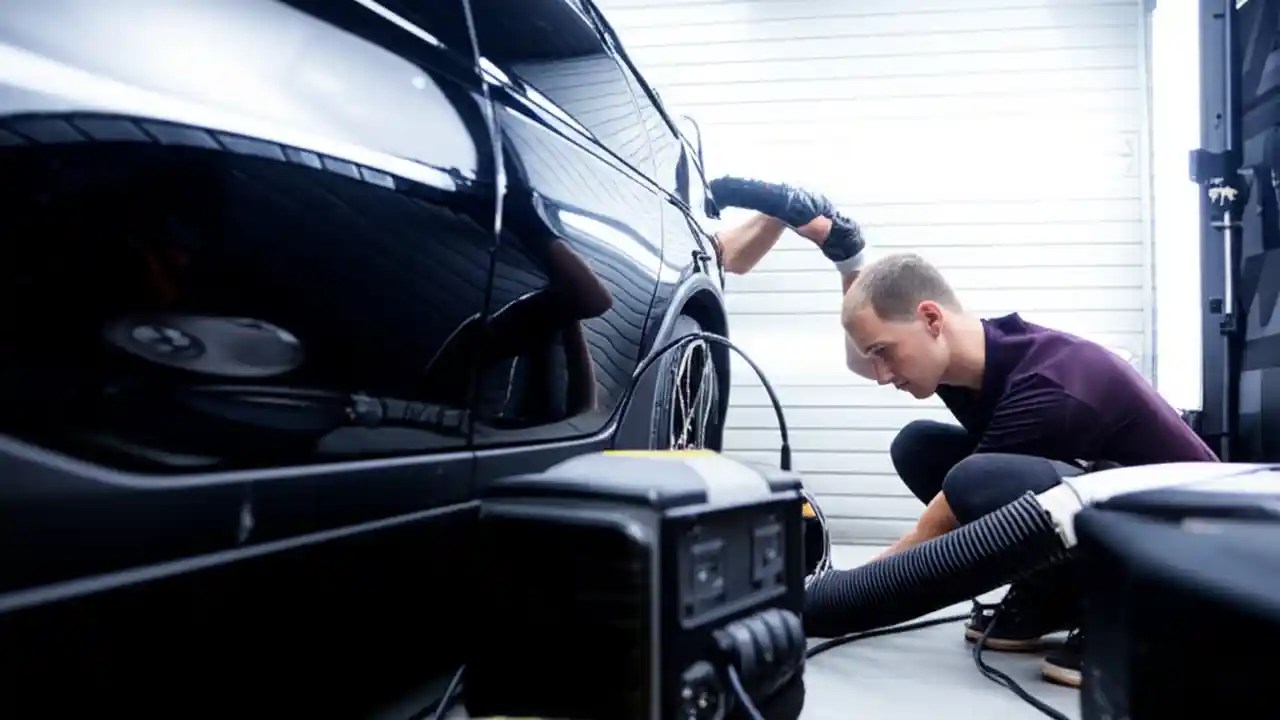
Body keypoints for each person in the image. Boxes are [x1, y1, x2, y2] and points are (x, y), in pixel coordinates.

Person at [705, 175, 1220, 689]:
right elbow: (866, 358)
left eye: (885, 352)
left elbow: (940, 531)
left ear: (931, 319)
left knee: (974, 480)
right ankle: (1056, 595)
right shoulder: (977, 353)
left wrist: (821, 598)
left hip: (1190, 555)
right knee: (920, 446)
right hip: (1117, 517)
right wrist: (847, 258)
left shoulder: (1049, 383)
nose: (881, 376)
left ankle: (1128, 616)